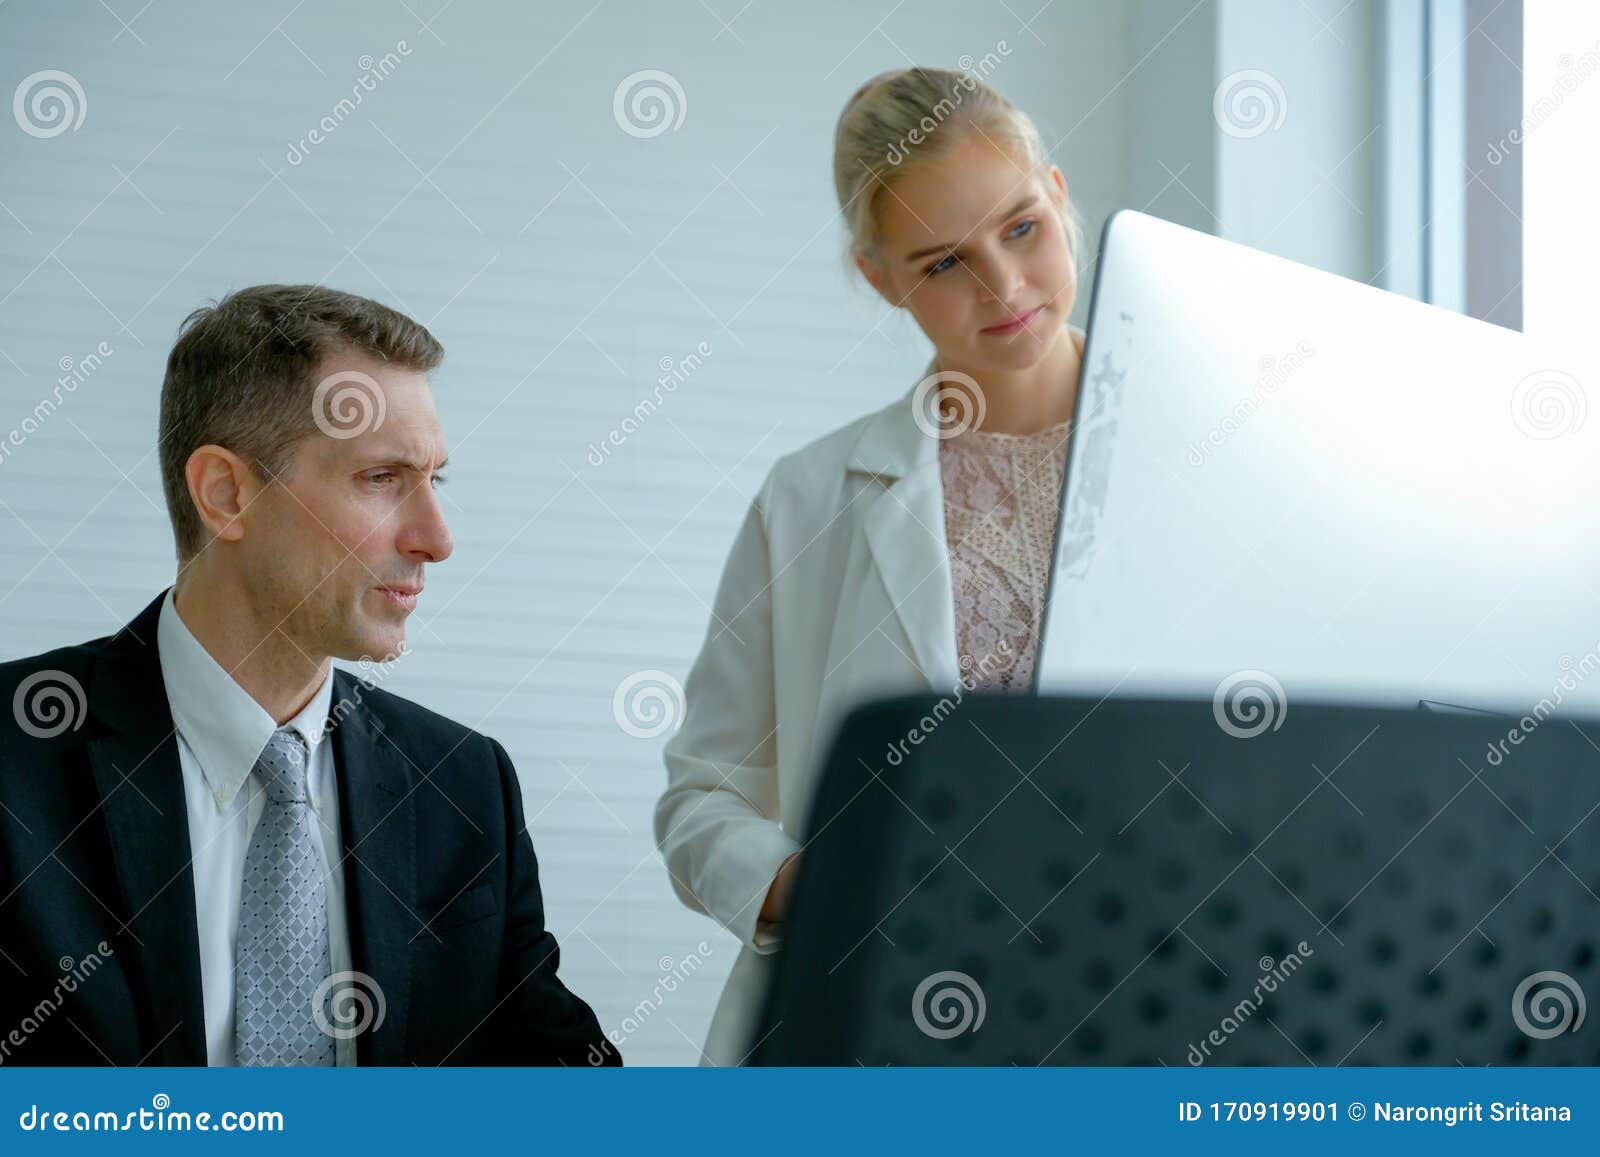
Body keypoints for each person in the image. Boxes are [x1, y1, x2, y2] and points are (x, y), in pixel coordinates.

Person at [0, 285, 617, 1066]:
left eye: (438, 481)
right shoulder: (15, 756)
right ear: (226, 494)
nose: (437, 538)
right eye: (382, 478)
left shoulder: (462, 787)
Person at [655, 68, 1088, 1065]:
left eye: (1020, 227)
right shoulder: (811, 498)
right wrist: (812, 887)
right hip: (891, 1012)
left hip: (1147, 990)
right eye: (942, 263)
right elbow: (702, 793)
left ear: (1059, 194)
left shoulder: (1202, 452)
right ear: (880, 276)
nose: (1003, 285)